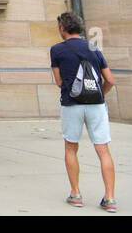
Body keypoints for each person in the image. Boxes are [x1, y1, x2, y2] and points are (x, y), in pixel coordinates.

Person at [50, 12, 117, 212]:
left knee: (71, 147)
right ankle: (110, 199)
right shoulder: (93, 47)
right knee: (103, 150)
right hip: (96, 104)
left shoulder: (57, 50)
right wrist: (100, 95)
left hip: (72, 104)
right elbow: (111, 80)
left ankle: (76, 194)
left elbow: (59, 82)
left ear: (63, 28)